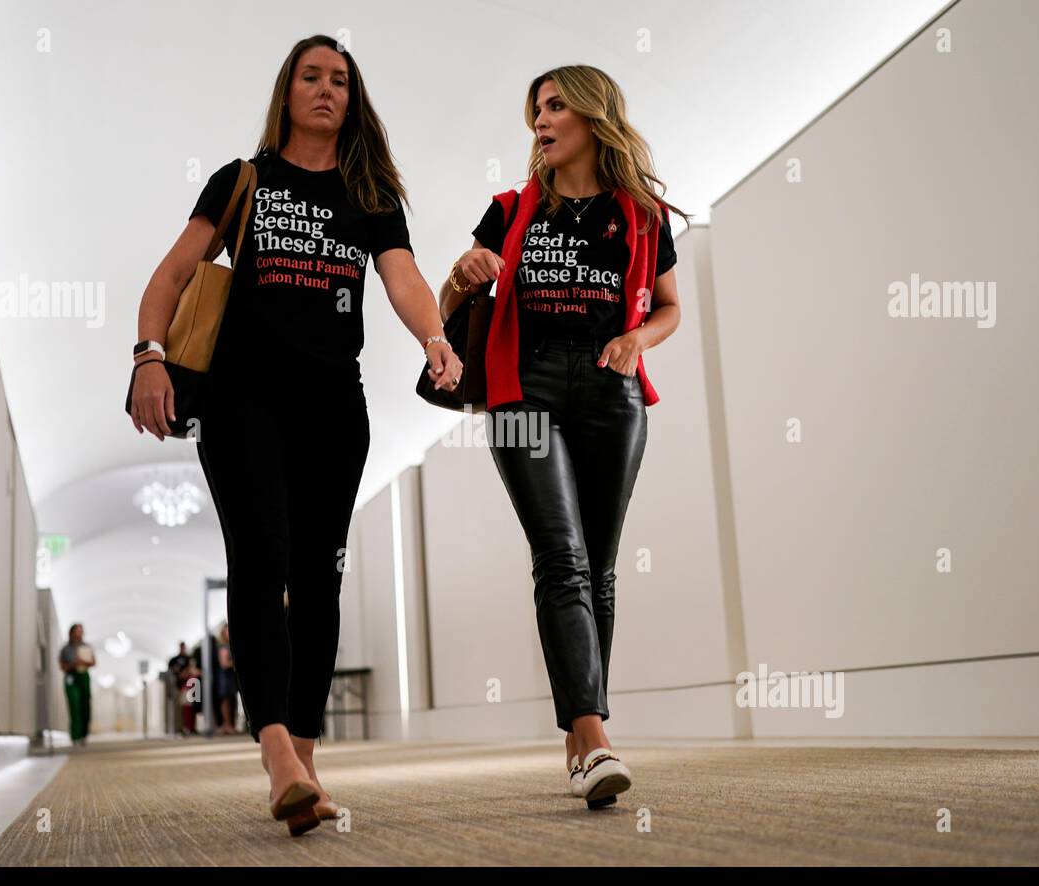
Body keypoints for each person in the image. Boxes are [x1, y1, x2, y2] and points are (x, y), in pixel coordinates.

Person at [128, 34, 461, 836]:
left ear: (352, 98)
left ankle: (305, 764)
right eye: (311, 77)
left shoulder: (369, 190)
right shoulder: (245, 179)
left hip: (333, 407)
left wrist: (435, 337)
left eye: (340, 80)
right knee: (263, 557)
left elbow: (403, 275)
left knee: (319, 579)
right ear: (287, 91)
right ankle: (276, 749)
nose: (326, 90)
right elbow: (175, 273)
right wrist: (148, 357)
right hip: (242, 397)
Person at [440, 65, 686, 811]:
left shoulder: (642, 214)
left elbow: (671, 308)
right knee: (562, 556)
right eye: (535, 112)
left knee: (599, 570)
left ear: (590, 114)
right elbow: (455, 299)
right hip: (523, 390)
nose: (540, 122)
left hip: (613, 396)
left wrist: (638, 338)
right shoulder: (512, 209)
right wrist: (461, 273)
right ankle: (593, 732)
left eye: (553, 107)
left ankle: (584, 746)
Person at [58, 623, 97, 746]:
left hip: (83, 676)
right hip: (71, 677)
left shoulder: (87, 647)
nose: (79, 633)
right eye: (77, 631)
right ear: (71, 632)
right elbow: (62, 666)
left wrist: (82, 661)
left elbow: (93, 662)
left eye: (81, 631)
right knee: (74, 704)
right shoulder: (65, 649)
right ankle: (75, 735)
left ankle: (84, 734)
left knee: (85, 705)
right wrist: (73, 664)